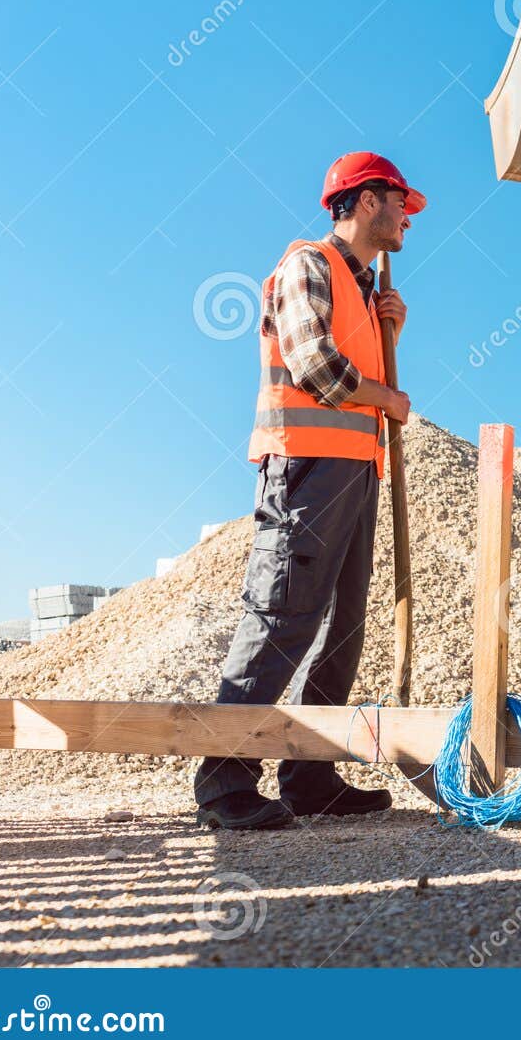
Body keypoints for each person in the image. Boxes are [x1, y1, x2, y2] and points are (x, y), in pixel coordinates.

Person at [193, 152, 421, 831]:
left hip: (353, 471)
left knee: (344, 624)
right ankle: (224, 774)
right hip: (306, 470)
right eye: (400, 201)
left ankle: (310, 773)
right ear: (367, 199)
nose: (408, 215)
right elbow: (315, 365)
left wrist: (391, 334)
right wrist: (389, 396)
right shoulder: (309, 265)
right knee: (282, 612)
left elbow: (344, 360)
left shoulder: (360, 286)